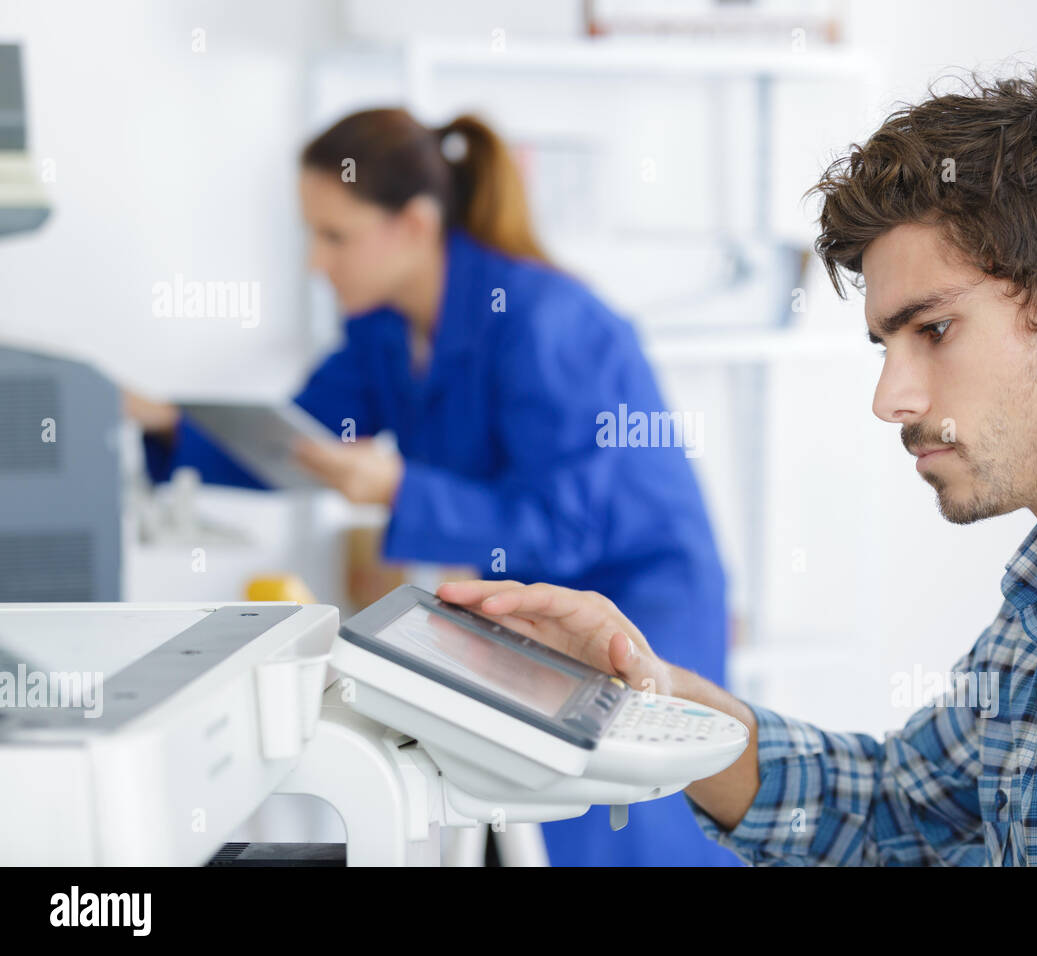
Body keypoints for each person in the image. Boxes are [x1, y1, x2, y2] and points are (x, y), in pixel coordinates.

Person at [433, 62, 1037, 865]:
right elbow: (890, 810)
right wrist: (646, 697)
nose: (891, 400)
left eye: (934, 331)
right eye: (886, 345)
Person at [125, 109, 739, 867]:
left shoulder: (549, 321)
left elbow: (561, 526)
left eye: (335, 236)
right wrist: (160, 423)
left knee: (613, 831)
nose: (317, 263)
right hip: (531, 610)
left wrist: (397, 490)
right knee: (517, 820)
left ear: (413, 224)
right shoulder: (383, 332)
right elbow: (294, 444)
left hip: (634, 601)